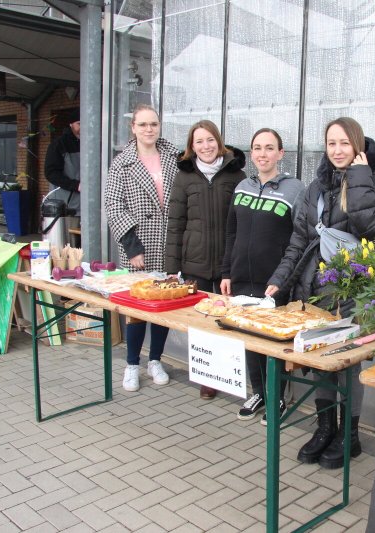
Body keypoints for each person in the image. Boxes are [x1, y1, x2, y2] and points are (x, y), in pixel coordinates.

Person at [266, 117, 375, 469]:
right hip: (316, 286)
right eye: (331, 143)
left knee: (348, 360)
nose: (337, 150)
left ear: (357, 146)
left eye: (344, 143)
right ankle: (325, 428)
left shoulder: (374, 184)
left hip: (355, 287)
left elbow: (374, 228)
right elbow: (299, 241)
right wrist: (279, 280)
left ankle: (349, 435)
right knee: (320, 356)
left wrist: (360, 176)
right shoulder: (315, 188)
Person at [220, 128, 305, 423]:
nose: (262, 154)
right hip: (242, 279)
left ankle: (277, 398)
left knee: (271, 343)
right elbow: (231, 233)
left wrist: (284, 279)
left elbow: (300, 238)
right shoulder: (242, 186)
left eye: (269, 148)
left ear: (280, 153)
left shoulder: (295, 190)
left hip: (273, 283)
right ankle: (258, 392)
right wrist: (227, 272)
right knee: (248, 339)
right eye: (257, 148)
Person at [165, 119, 246, 400]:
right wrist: (172, 268)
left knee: (226, 319)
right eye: (199, 141)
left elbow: (243, 222)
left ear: (219, 142)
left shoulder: (236, 175)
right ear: (192, 146)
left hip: (227, 263)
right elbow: (176, 223)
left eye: (210, 140)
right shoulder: (184, 176)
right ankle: (207, 377)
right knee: (201, 323)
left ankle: (228, 373)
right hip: (194, 263)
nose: (206, 146)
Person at [105, 104, 180, 392]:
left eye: (154, 124)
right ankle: (132, 364)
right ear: (133, 127)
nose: (149, 129)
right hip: (139, 246)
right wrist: (132, 247)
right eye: (143, 124)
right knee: (136, 309)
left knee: (163, 304)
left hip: (168, 243)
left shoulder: (174, 157)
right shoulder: (122, 163)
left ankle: (156, 360)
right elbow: (114, 206)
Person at [44, 108, 81, 238]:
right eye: (79, 124)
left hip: (87, 206)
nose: (82, 128)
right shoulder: (58, 144)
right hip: (65, 208)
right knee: (66, 243)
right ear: (71, 124)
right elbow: (50, 173)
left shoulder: (94, 143)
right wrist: (76, 185)